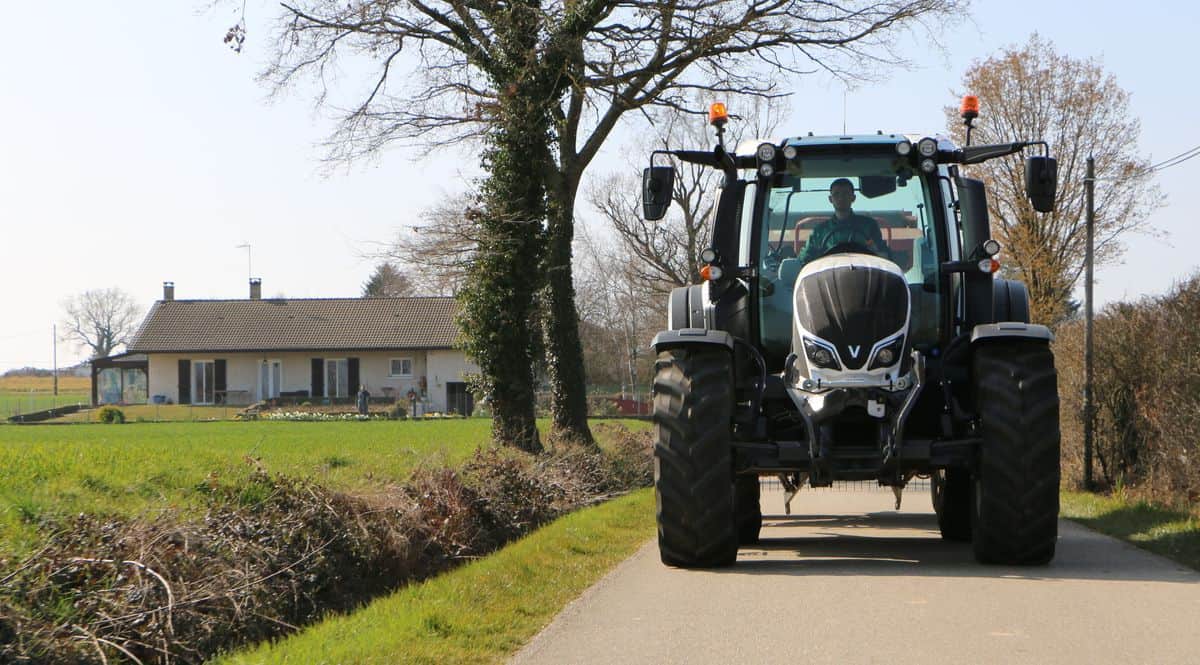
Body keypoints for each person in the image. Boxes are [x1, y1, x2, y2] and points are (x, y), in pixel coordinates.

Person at [794, 178, 890, 265]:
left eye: (845, 193)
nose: (841, 198)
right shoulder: (820, 231)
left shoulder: (869, 225)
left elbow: (883, 256)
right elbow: (805, 259)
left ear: (853, 198)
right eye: (836, 194)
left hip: (864, 277)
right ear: (830, 199)